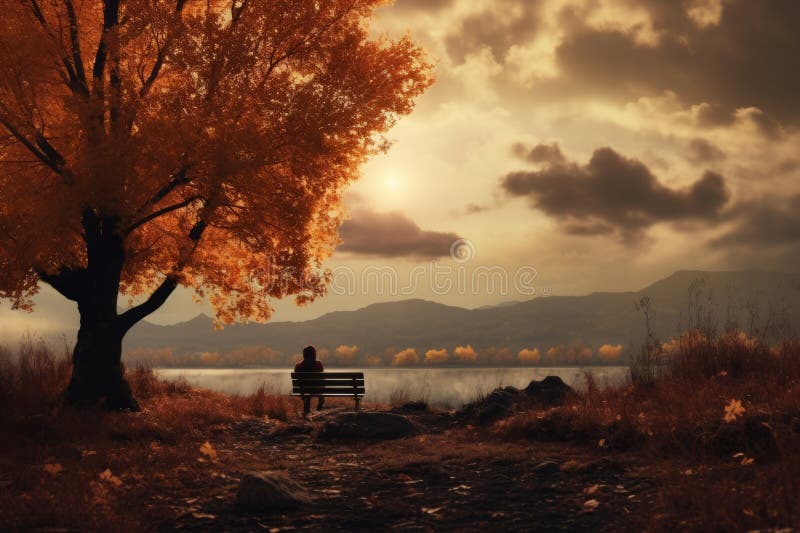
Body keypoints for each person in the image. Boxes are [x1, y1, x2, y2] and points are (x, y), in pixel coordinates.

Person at [294, 345, 325, 415]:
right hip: (317, 390)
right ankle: (318, 408)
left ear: (304, 354)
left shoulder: (298, 366)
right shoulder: (319, 364)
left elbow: (298, 381)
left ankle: (306, 411)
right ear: (314, 354)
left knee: (306, 391)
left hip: (304, 390)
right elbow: (322, 379)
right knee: (320, 390)